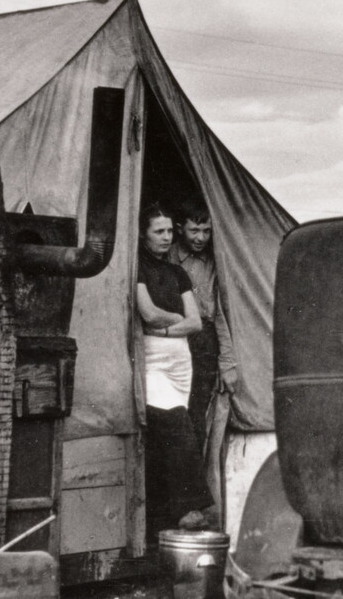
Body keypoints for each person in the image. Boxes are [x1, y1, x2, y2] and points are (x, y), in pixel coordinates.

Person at [136, 202, 213, 531]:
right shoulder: (137, 269)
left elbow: (195, 322)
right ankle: (189, 507)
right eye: (159, 231)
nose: (167, 237)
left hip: (181, 363)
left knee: (174, 430)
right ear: (143, 234)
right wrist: (177, 319)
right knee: (176, 426)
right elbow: (147, 313)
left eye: (169, 231)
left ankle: (162, 515)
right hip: (153, 360)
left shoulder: (178, 273)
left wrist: (169, 326)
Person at [167, 199, 240, 443]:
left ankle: (193, 475)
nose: (201, 237)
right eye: (194, 230)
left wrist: (227, 361)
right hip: (173, 337)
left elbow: (218, 313)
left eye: (206, 231)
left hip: (204, 342)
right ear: (179, 229)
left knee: (197, 411)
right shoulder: (168, 258)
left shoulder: (213, 261)